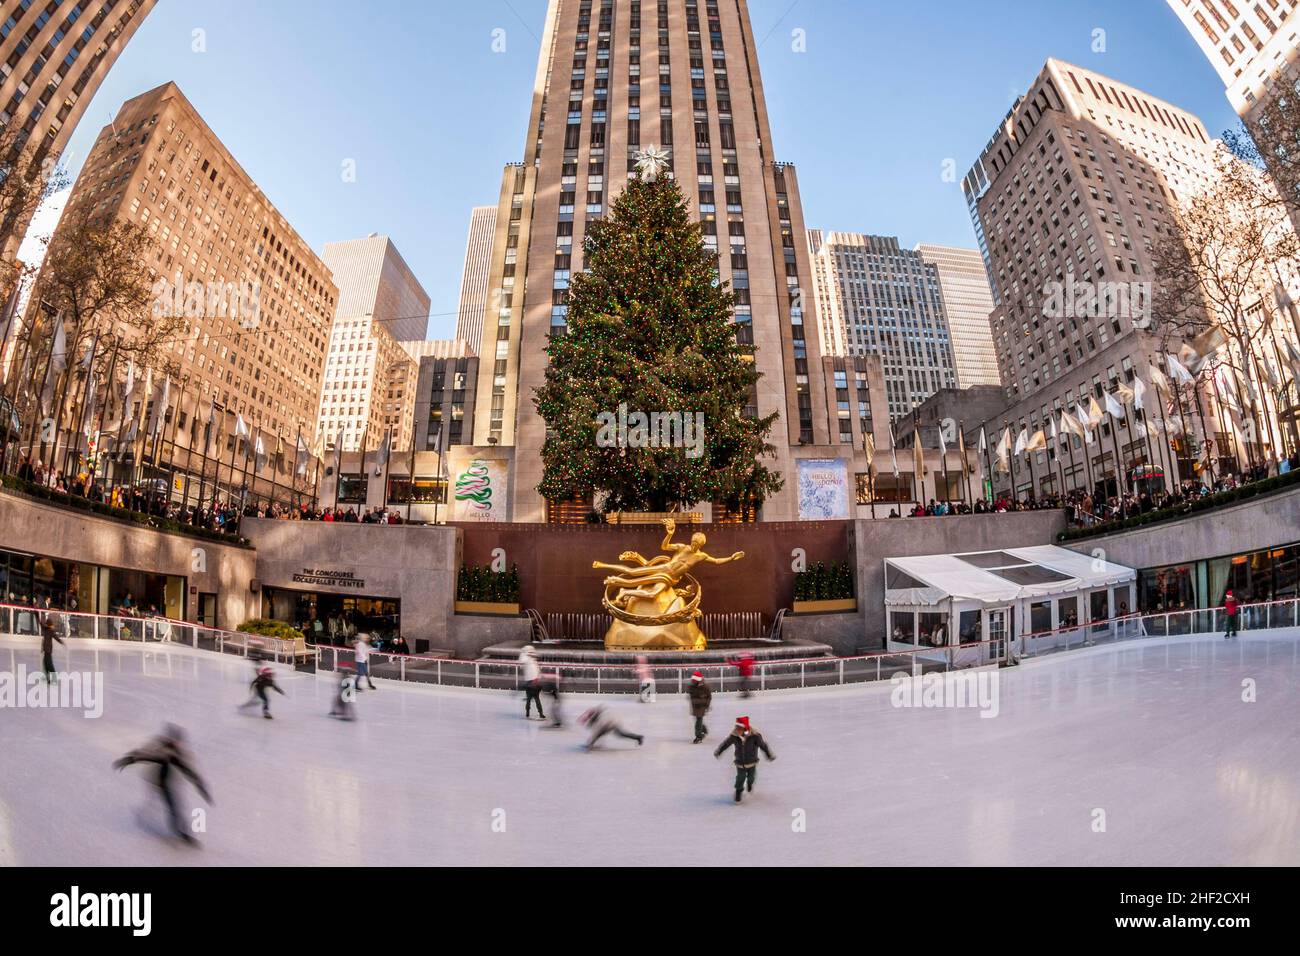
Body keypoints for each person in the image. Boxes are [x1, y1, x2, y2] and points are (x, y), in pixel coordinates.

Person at [112, 725, 213, 845]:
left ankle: (180, 831)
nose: (177, 744)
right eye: (175, 741)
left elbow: (189, 771)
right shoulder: (162, 749)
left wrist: (201, 787)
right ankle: (179, 831)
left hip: (168, 783)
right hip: (160, 782)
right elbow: (145, 755)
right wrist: (128, 760)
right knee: (172, 806)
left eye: (178, 742)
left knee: (174, 807)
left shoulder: (178, 754)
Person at [714, 716, 775, 803]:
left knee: (751, 777)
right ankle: (738, 791)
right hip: (740, 762)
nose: (737, 730)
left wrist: (769, 754)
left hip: (752, 762)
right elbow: (726, 743)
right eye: (736, 727)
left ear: (745, 728)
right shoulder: (734, 736)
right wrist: (719, 751)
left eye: (739, 728)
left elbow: (763, 746)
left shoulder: (755, 736)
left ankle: (750, 783)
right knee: (740, 777)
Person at [579, 706, 643, 750]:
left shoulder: (600, 721)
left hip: (610, 723)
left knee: (601, 733)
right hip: (613, 720)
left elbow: (596, 732)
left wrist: (590, 743)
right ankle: (638, 737)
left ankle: (591, 744)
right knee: (621, 734)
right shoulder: (600, 712)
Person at [518, 644, 546, 720]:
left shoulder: (532, 659)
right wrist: (526, 654)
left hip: (534, 681)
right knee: (530, 698)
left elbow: (537, 669)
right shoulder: (526, 658)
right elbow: (522, 661)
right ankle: (530, 713)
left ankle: (539, 713)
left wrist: (539, 677)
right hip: (530, 681)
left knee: (533, 698)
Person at [39, 610, 66, 682]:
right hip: (46, 650)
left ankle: (53, 678)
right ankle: (48, 678)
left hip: (48, 650)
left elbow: (56, 637)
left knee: (49, 664)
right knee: (46, 664)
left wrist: (61, 641)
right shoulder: (46, 630)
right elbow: (41, 623)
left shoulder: (50, 631)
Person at [687, 671, 712, 743]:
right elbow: (692, 697)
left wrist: (707, 705)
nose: (693, 681)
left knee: (699, 719)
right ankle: (703, 729)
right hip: (695, 705)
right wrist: (700, 700)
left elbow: (709, 697)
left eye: (694, 680)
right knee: (698, 719)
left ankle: (698, 736)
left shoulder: (705, 687)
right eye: (693, 680)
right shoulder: (691, 687)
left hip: (702, 706)